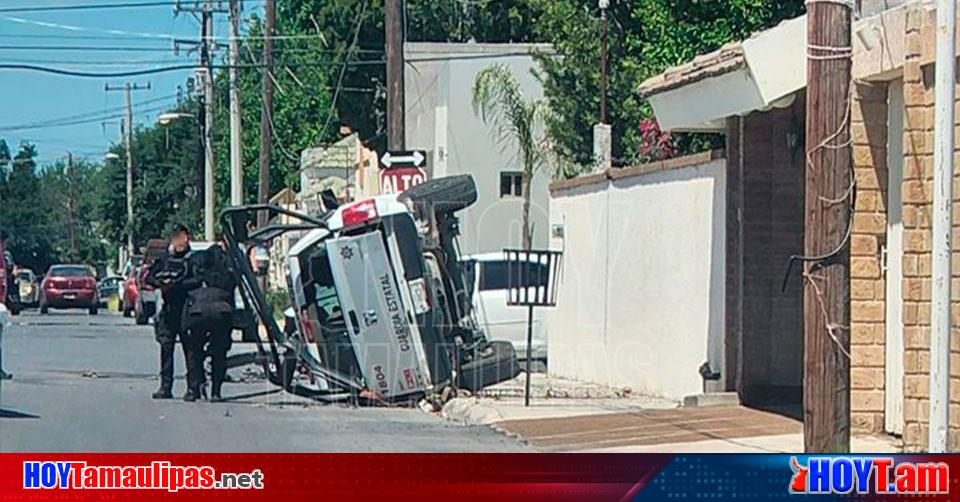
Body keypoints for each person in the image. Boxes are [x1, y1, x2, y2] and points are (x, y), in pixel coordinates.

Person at [146, 225, 202, 401]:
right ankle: (165, 386)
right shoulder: (164, 260)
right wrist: (162, 281)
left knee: (191, 350)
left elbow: (199, 280)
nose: (180, 242)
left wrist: (178, 284)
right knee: (166, 348)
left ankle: (193, 388)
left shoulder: (194, 260)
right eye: (176, 238)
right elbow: (149, 277)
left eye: (183, 238)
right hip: (168, 310)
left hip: (187, 309)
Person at [183, 239, 237, 402]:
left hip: (197, 314)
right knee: (219, 352)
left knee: (194, 350)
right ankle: (216, 391)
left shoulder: (197, 269)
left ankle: (196, 388)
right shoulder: (228, 269)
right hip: (222, 313)